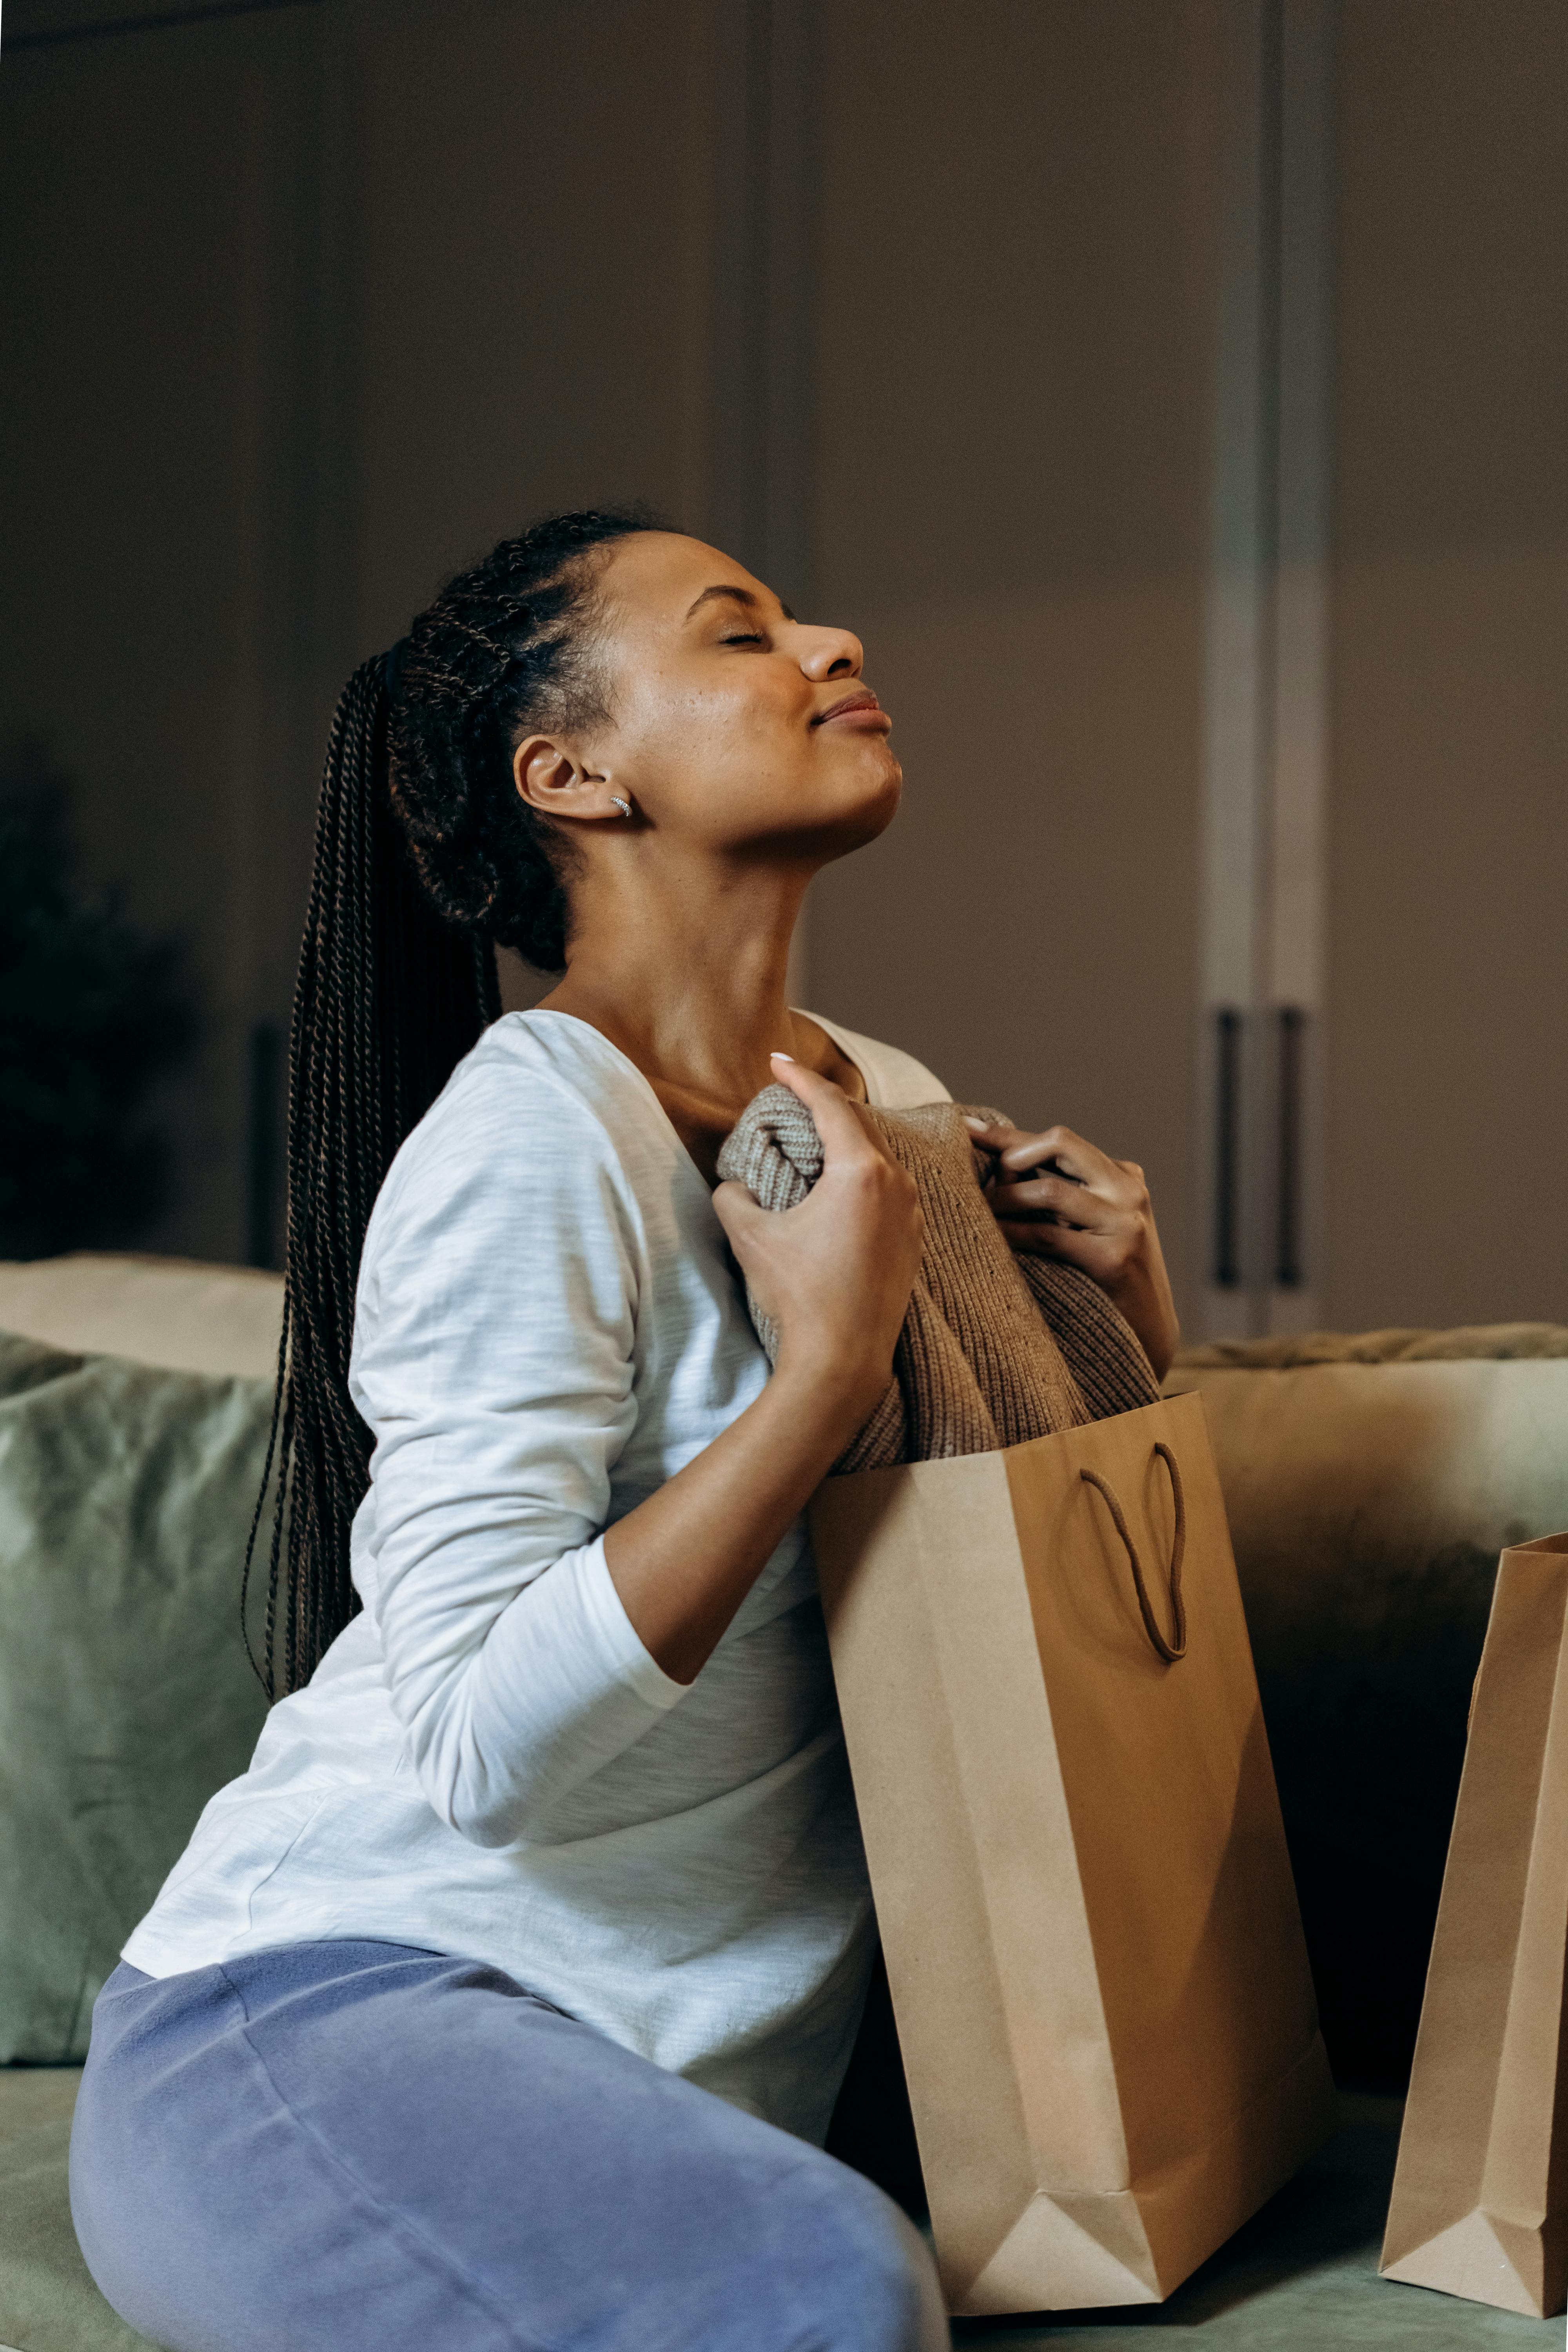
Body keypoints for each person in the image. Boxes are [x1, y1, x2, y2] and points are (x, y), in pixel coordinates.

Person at [69, 509, 1180, 2352]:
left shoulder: (869, 1101)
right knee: (830, 2294)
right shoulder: (528, 1144)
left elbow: (997, 1585)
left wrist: (1123, 1323)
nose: (827, 636)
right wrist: (819, 1377)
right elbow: (480, 1746)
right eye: (740, 632)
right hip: (319, 2018)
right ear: (569, 772)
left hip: (647, 2070)